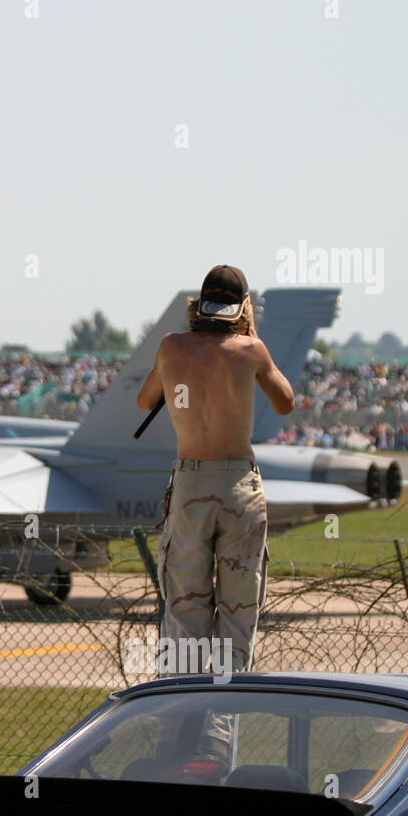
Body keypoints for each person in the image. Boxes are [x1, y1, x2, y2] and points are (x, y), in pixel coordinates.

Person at [137, 265, 294, 688]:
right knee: (237, 613)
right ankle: (222, 728)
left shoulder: (171, 347)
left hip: (191, 484)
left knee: (185, 608)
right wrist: (251, 335)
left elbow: (145, 399)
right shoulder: (251, 350)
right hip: (239, 485)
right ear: (241, 307)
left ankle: (181, 719)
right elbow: (285, 402)